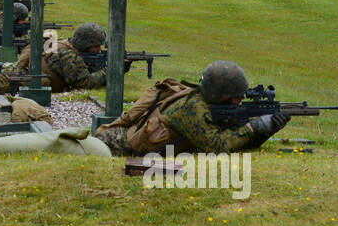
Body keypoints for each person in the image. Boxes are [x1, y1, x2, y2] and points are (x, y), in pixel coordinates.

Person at [94, 60, 288, 156]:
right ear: (220, 94)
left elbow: (236, 144)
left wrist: (266, 130)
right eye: (236, 97)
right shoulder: (194, 108)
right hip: (113, 147)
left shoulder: (203, 101)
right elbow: (217, 147)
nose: (239, 101)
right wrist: (253, 127)